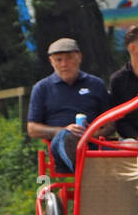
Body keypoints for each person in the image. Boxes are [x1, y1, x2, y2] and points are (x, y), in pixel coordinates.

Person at [27, 38, 111, 172]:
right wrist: (62, 130)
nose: (64, 64)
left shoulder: (96, 84)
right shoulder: (42, 88)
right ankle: (83, 168)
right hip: (61, 148)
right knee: (66, 137)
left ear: (79, 57)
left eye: (69, 58)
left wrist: (93, 133)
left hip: (95, 143)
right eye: (58, 60)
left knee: (128, 149)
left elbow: (111, 123)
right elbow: (32, 128)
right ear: (51, 62)